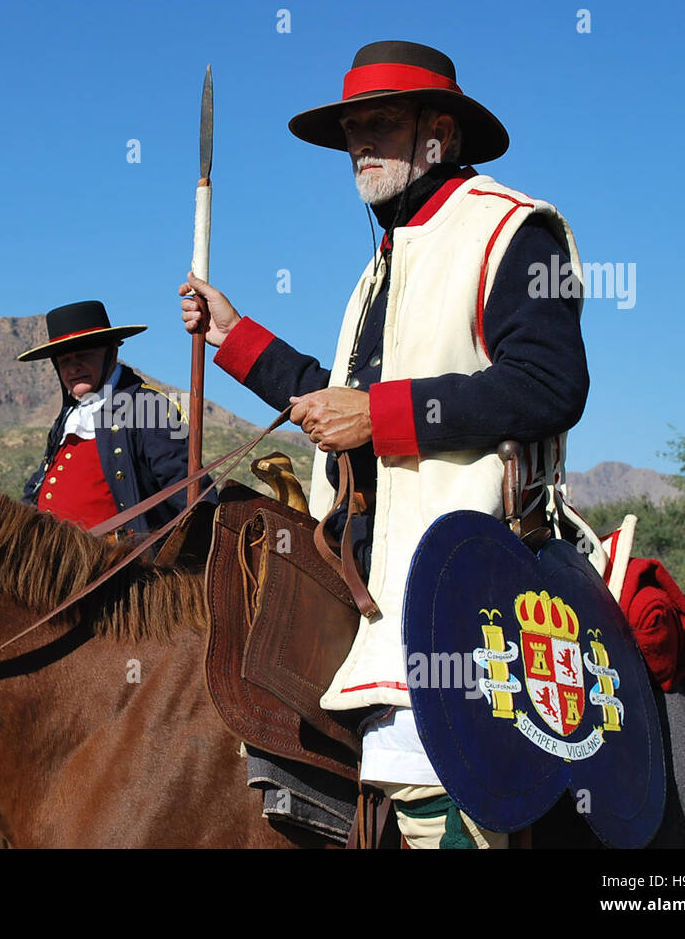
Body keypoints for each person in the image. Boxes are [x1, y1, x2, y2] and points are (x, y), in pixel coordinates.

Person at [178, 41, 590, 848]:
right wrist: (234, 338)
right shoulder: (382, 267)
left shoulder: (512, 231)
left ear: (441, 132)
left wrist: (380, 417)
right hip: (367, 579)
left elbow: (550, 386)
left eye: (380, 125)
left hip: (470, 576)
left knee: (432, 790)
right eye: (352, 132)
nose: (360, 146)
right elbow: (334, 399)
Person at [19, 301, 198, 536]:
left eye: (82, 355)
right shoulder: (68, 416)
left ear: (111, 352)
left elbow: (188, 492)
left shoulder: (149, 405)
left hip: (120, 564)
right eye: (64, 361)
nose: (73, 368)